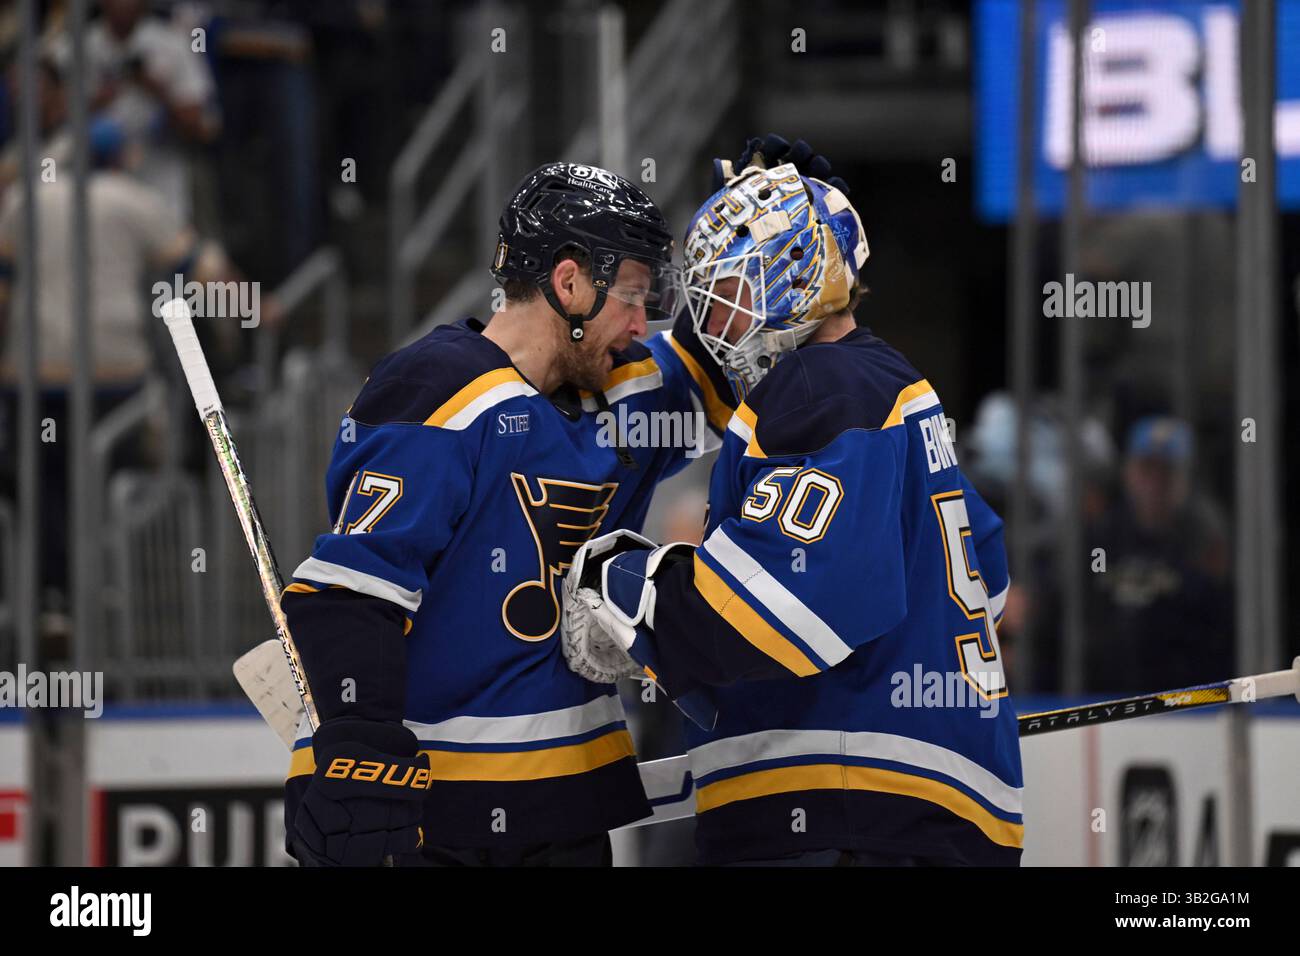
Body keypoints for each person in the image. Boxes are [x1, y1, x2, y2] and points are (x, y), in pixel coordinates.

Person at [562, 137, 1024, 866]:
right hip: (935, 810)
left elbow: (785, 608)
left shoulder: (819, 388)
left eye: (733, 290)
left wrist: (625, 591)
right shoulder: (892, 390)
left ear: (795, 284)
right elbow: (986, 585)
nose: (714, 321)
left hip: (845, 807)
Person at [280, 162, 729, 867]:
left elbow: (745, 351)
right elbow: (352, 589)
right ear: (571, 282)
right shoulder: (438, 388)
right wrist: (355, 741)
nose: (645, 323)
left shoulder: (630, 387)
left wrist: (793, 224)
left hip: (569, 824)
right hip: (437, 826)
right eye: (634, 297)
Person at [1083, 415, 1232, 692]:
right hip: (1106, 698)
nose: (1154, 483)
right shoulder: (1101, 537)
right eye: (1146, 469)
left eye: (1166, 471)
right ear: (1127, 472)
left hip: (1188, 702)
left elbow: (1215, 634)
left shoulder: (1204, 541)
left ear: (1185, 479)